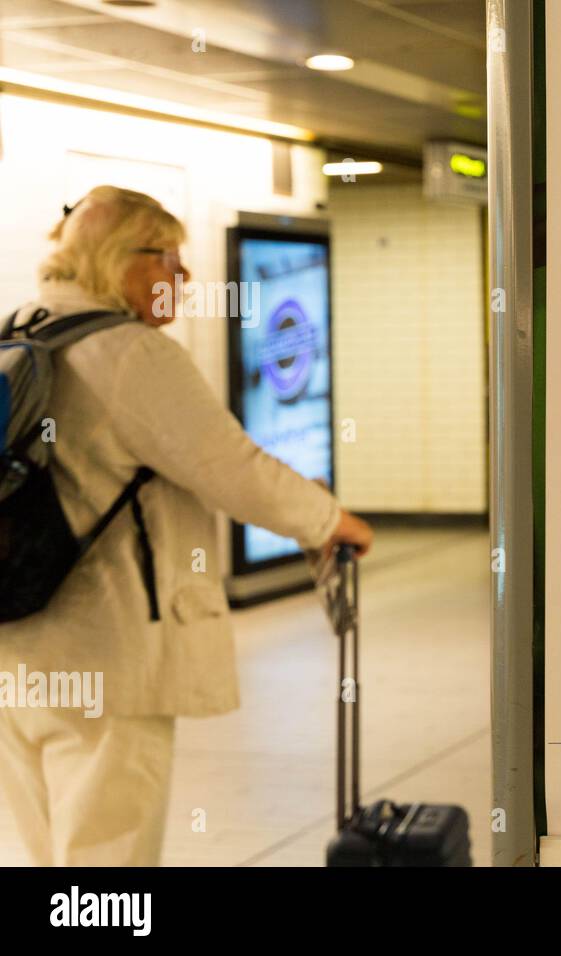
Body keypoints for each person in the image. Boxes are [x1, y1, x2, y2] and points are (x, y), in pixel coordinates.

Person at [0, 185, 372, 866]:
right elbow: (232, 467)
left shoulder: (16, 331)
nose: (184, 276)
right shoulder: (129, 353)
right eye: (168, 257)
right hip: (108, 653)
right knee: (106, 857)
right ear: (121, 260)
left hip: (15, 647)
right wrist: (329, 520)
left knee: (47, 855)